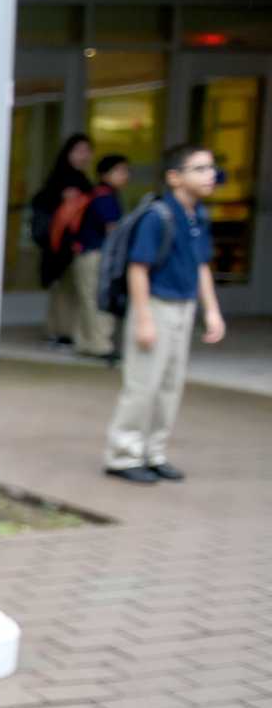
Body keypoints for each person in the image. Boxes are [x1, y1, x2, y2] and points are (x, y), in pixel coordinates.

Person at [104, 143, 228, 484]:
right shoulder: (157, 216)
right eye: (199, 169)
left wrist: (212, 310)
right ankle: (123, 454)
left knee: (170, 385)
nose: (210, 175)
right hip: (156, 306)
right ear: (174, 177)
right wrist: (144, 319)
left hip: (184, 307)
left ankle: (153, 452)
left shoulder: (197, 216)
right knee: (143, 383)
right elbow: (138, 269)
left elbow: (202, 265)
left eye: (211, 168)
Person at [31, 132, 93, 344]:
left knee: (67, 290)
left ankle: (61, 330)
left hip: (71, 245)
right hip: (63, 245)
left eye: (87, 151)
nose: (83, 156)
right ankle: (61, 332)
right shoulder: (63, 182)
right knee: (65, 290)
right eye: (79, 151)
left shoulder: (82, 181)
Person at [71, 153, 131, 360]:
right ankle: (100, 345)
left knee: (87, 300)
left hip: (85, 254)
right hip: (96, 256)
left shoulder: (96, 194)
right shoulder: (106, 197)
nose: (125, 176)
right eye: (121, 171)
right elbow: (113, 231)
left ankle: (85, 342)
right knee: (98, 301)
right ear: (106, 174)